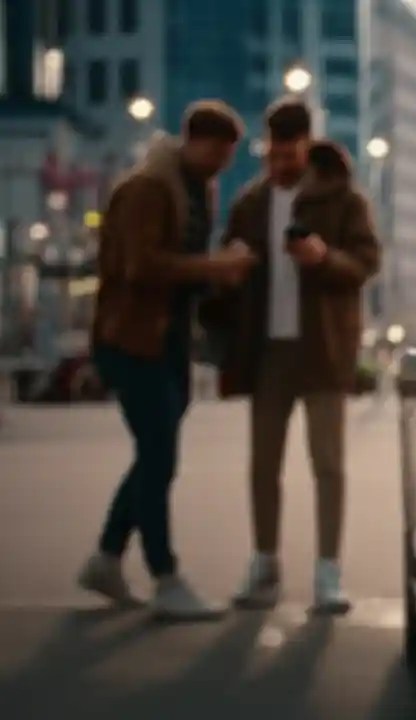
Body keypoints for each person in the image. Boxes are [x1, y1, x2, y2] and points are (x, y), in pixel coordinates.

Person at [78, 100, 255, 620]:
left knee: (156, 455)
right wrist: (214, 265)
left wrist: (220, 271)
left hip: (168, 340)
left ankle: (107, 558)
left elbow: (182, 270)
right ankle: (165, 576)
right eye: (220, 154)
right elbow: (141, 266)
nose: (224, 165)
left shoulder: (197, 188)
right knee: (160, 456)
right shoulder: (149, 189)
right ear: (195, 141)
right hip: (130, 340)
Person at [209, 100, 380, 613]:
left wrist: (324, 257)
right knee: (263, 464)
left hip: (323, 347)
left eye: (288, 155)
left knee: (328, 463)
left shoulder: (344, 199)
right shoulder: (250, 202)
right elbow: (225, 270)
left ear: (307, 145)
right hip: (265, 352)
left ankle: (328, 570)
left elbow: (367, 263)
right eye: (272, 154)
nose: (278, 164)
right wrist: (228, 270)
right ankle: (265, 563)